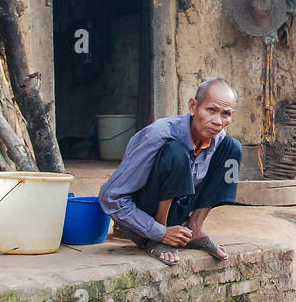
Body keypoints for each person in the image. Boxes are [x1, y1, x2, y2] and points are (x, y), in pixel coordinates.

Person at [98, 78, 242, 266]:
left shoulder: (218, 138)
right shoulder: (158, 134)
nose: (217, 121)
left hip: (181, 208)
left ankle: (195, 229)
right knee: (176, 152)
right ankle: (158, 238)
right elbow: (110, 197)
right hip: (146, 216)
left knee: (233, 147)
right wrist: (159, 232)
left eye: (226, 114)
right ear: (193, 107)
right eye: (211, 110)